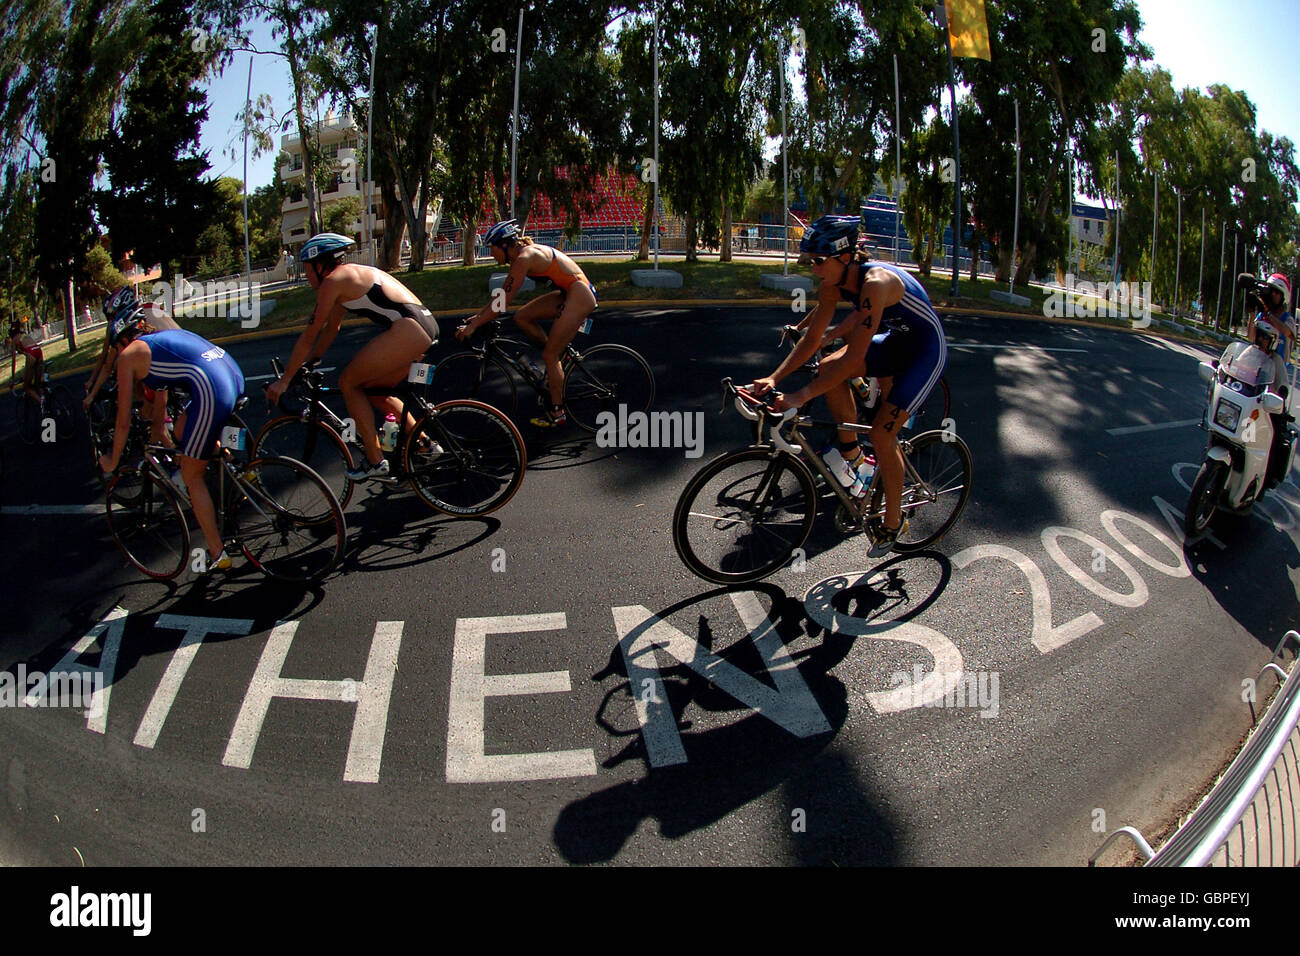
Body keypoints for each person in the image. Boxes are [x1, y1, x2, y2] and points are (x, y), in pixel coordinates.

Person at [753, 214, 948, 558]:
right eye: (808, 259)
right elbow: (813, 339)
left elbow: (853, 355)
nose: (812, 267)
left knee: (883, 434)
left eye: (817, 260)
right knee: (827, 365)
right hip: (896, 341)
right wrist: (774, 377)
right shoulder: (832, 283)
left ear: (844, 257)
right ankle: (852, 456)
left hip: (924, 352)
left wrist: (799, 396)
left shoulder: (875, 283)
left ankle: (894, 519)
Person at [264, 232, 440, 481]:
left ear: (320, 264)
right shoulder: (345, 278)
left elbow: (309, 334)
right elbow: (330, 329)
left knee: (349, 383)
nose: (305, 275)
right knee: (377, 392)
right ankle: (426, 444)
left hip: (409, 330)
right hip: (422, 327)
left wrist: (284, 380)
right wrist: (310, 362)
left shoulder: (333, 281)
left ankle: (374, 460)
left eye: (307, 268)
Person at [97, 291, 245, 571]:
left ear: (121, 341)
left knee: (191, 475)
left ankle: (217, 553)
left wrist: (113, 461)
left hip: (211, 389)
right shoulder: (158, 343)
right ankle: (235, 460)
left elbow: (123, 422)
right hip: (232, 374)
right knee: (180, 428)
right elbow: (158, 405)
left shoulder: (129, 356)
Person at [455, 219, 598, 427]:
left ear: (504, 245)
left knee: (548, 355)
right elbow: (500, 296)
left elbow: (503, 302)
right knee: (521, 317)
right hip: (569, 292)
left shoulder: (524, 258)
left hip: (580, 294)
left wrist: (475, 325)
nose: (491, 254)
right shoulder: (520, 259)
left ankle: (557, 413)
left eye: (492, 249)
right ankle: (554, 359)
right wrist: (477, 318)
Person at [1242, 272, 1295, 395]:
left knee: (1276, 397)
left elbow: (1288, 333)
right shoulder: (1263, 314)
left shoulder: (1287, 319)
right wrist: (1252, 313)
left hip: (1275, 368)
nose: (1273, 295)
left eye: (1276, 292)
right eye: (1271, 291)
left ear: (1283, 297)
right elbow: (1251, 337)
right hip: (1257, 361)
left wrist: (1268, 313)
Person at [8, 322, 44, 399]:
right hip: (38, 350)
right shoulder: (24, 335)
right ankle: (45, 403)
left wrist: (13, 379)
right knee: (37, 385)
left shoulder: (14, 340)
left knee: (27, 388)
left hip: (31, 353)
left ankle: (41, 402)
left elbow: (13, 361)